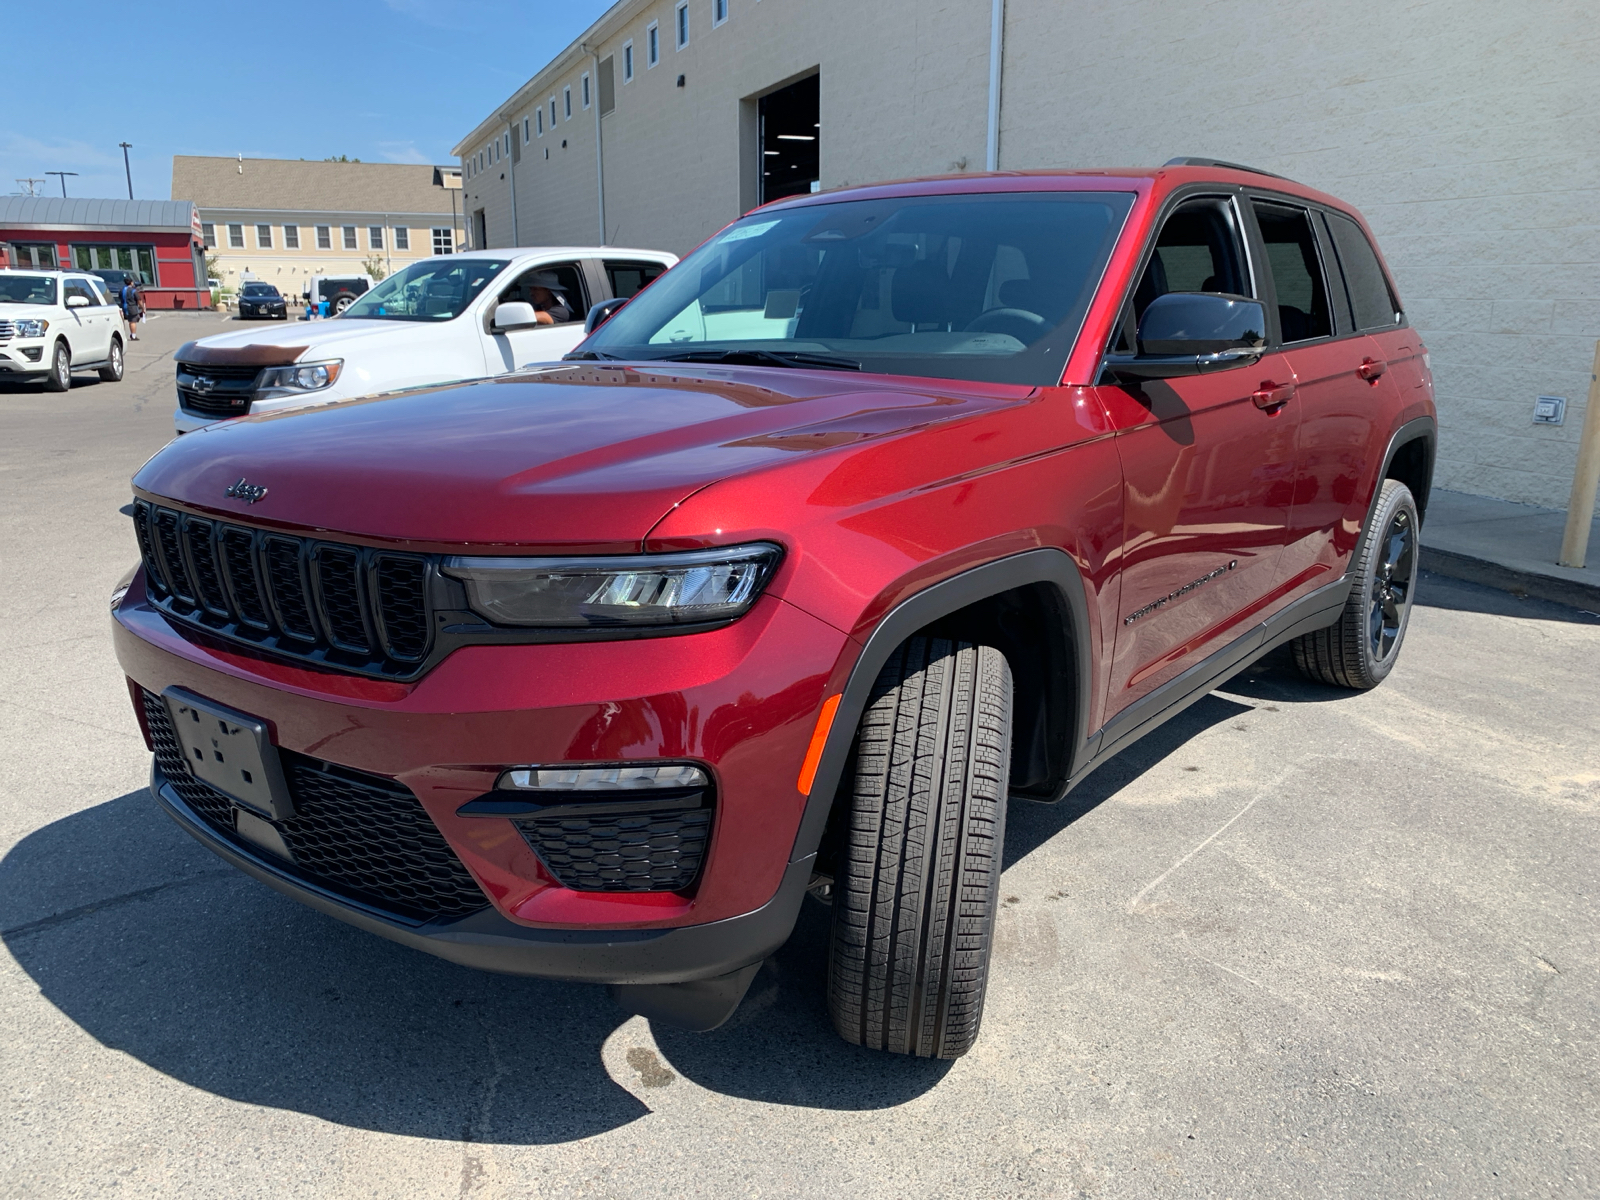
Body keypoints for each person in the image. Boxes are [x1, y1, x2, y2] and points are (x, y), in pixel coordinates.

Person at [120, 277, 142, 341]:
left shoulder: (121, 290)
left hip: (123, 307)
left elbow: (120, 298)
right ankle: (133, 336)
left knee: (123, 321)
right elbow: (139, 300)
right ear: (131, 282)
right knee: (132, 322)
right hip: (132, 307)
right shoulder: (133, 290)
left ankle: (122, 335)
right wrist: (142, 308)